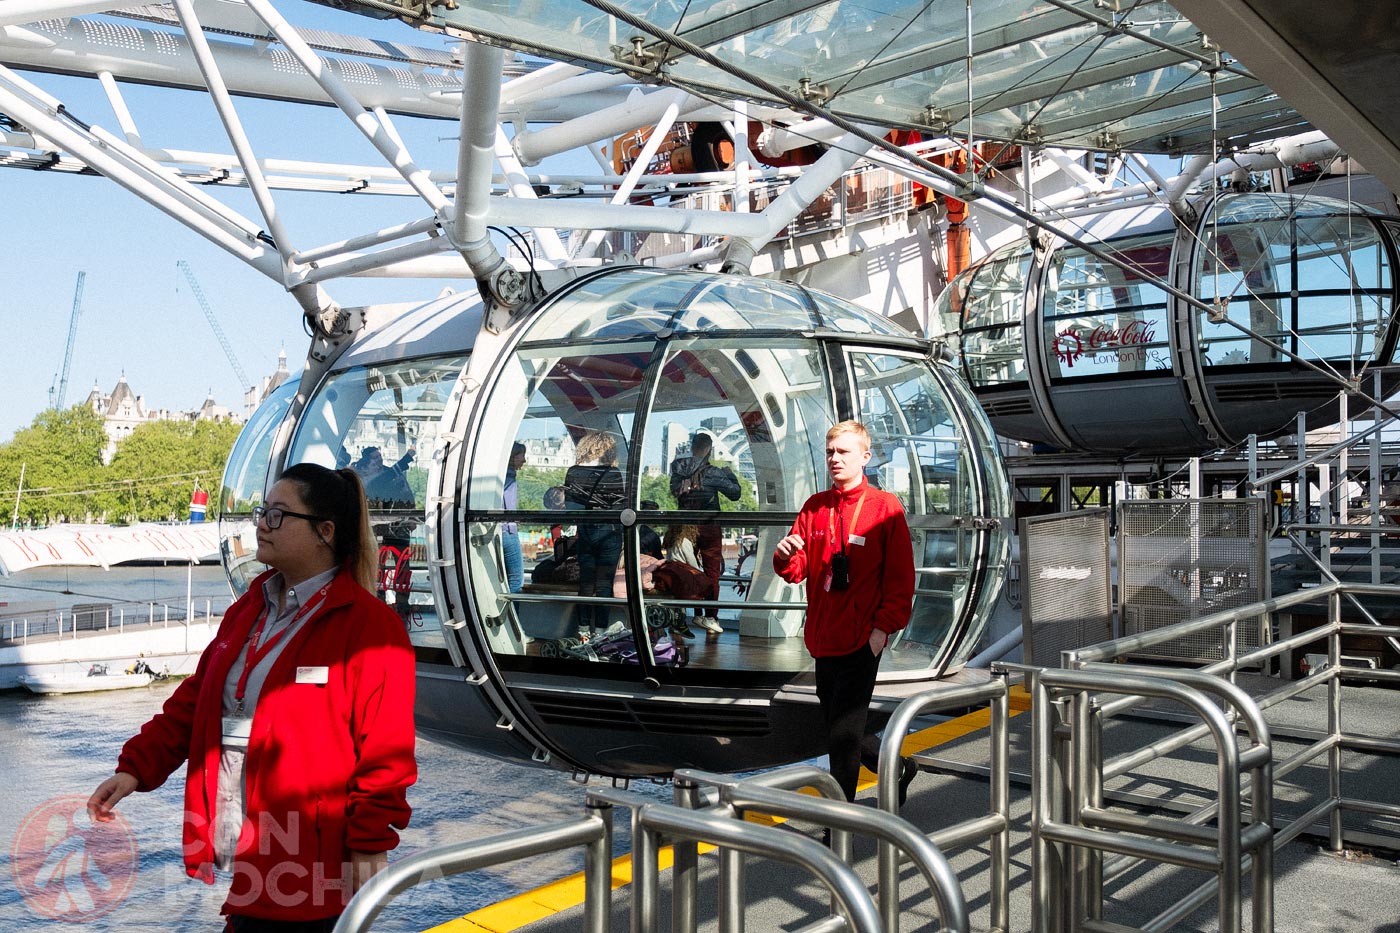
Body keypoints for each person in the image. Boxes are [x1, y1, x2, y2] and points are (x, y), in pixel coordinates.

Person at [88, 464, 417, 931]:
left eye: (279, 515)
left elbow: (386, 754)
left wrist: (369, 846)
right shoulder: (249, 608)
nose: (261, 523)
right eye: (263, 511)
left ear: (325, 532)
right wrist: (134, 768)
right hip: (246, 844)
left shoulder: (370, 628)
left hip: (313, 865)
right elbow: (197, 697)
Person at [773, 420, 917, 805]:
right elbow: (796, 569)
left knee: (842, 737)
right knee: (839, 727)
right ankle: (898, 767)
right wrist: (784, 555)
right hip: (824, 637)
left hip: (861, 639)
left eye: (844, 452)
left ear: (865, 457)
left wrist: (881, 631)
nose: (834, 459)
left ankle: (840, 822)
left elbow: (901, 579)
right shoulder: (815, 507)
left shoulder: (885, 508)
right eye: (830, 452)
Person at [669, 432, 739, 635]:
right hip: (709, 526)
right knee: (711, 572)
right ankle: (709, 617)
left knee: (684, 569)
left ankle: (683, 616)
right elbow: (735, 494)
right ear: (708, 449)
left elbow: (675, 491)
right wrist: (730, 474)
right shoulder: (714, 472)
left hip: (685, 526)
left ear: (692, 447)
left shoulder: (678, 467)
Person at [564, 431, 626, 636]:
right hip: (609, 532)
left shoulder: (573, 472)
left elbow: (570, 505)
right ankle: (600, 631)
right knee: (604, 584)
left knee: (586, 582)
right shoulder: (613, 472)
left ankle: (583, 630)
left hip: (585, 529)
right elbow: (619, 504)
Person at [502, 442, 526, 593]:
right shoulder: (509, 477)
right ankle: (513, 614)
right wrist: (515, 521)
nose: (524, 460)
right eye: (522, 456)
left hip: (498, 529)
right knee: (516, 580)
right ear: (512, 457)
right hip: (508, 531)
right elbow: (509, 505)